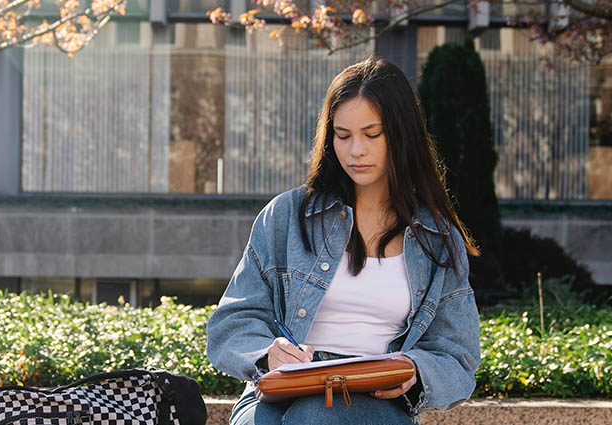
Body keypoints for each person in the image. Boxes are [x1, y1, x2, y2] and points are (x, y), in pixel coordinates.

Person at [205, 56, 482, 425]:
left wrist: (414, 369)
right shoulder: (286, 215)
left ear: (401, 134)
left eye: (372, 134)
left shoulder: (436, 236)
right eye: (343, 135)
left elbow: (457, 355)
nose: (356, 151)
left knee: (320, 415)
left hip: (374, 399)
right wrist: (267, 354)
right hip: (280, 394)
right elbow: (232, 322)